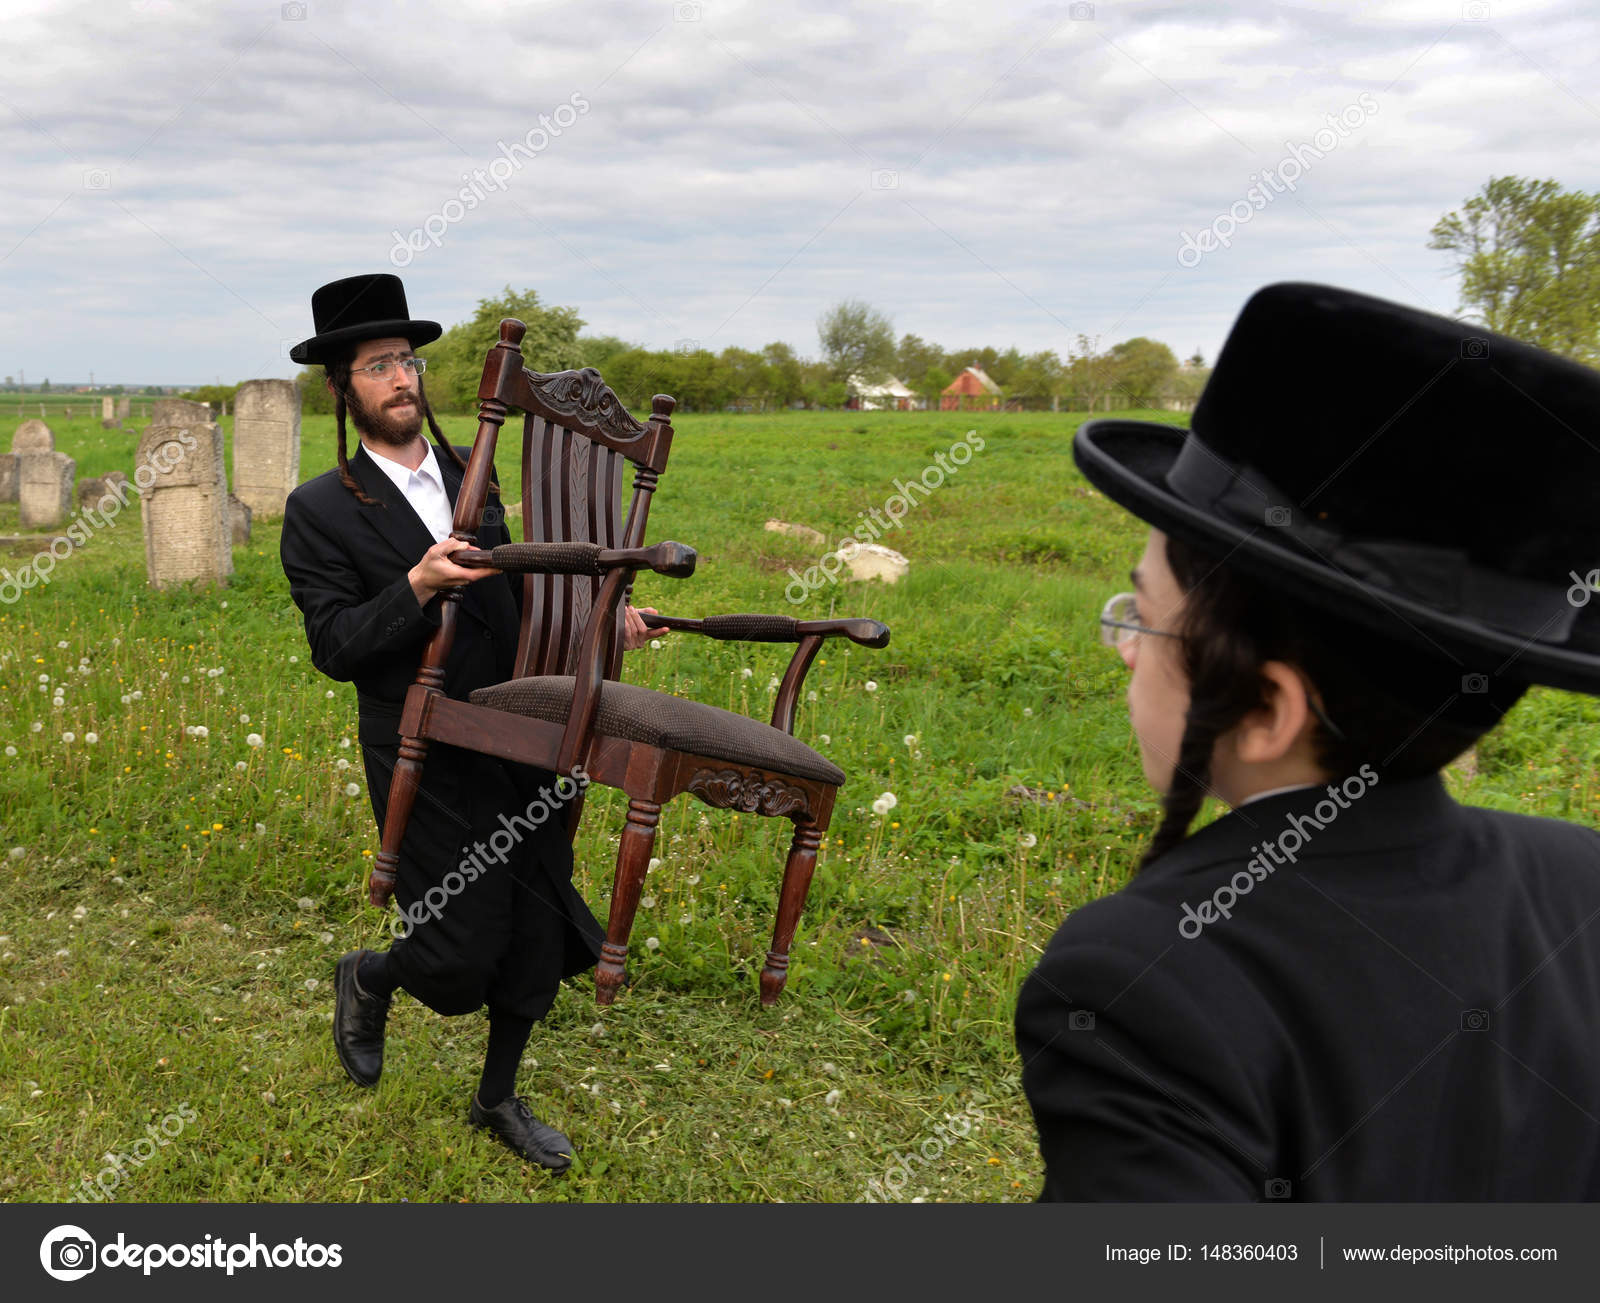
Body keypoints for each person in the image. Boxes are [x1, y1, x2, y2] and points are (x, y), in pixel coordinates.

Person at [1015, 282, 1600, 1200]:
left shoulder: (1141, 975)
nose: (1125, 648)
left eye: (1145, 618)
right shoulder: (1581, 876)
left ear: (1265, 708)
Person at [280, 273, 659, 1173]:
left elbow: (521, 580)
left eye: (408, 360)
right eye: (379, 366)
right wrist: (415, 585)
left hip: (526, 722)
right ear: (342, 387)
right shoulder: (319, 509)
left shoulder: (467, 472)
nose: (402, 378)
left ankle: (498, 1096)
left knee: (533, 933)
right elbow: (334, 644)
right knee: (457, 949)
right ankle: (372, 976)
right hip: (425, 739)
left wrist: (600, 618)